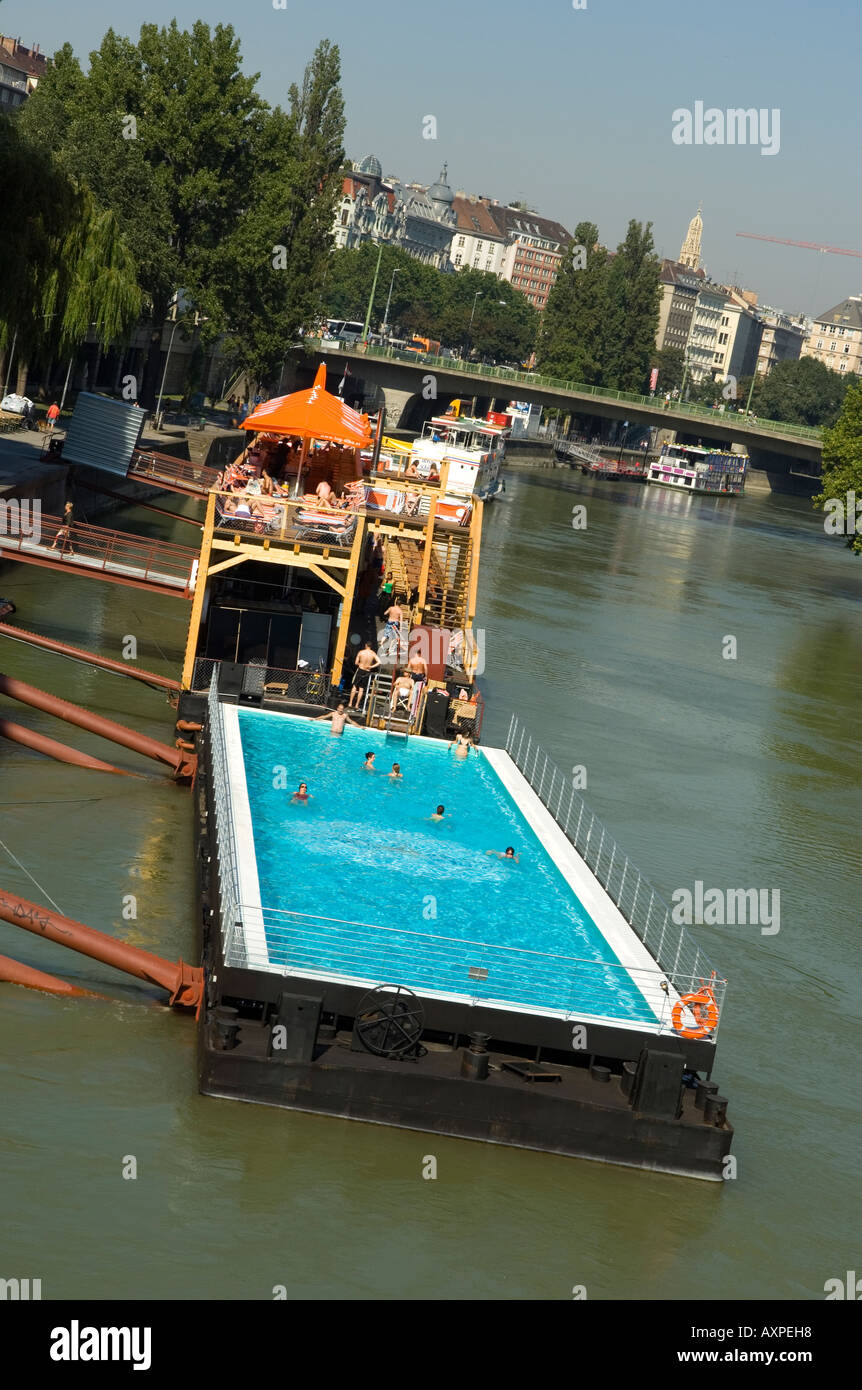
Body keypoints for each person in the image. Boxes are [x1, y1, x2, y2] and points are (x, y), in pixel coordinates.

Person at [348, 642, 381, 710]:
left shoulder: (361, 652)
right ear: (371, 646)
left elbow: (356, 662)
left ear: (365, 645)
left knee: (354, 686)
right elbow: (379, 662)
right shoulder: (373, 653)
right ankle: (357, 705)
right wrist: (371, 666)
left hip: (360, 669)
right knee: (361, 688)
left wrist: (360, 664)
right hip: (367, 671)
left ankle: (350, 703)